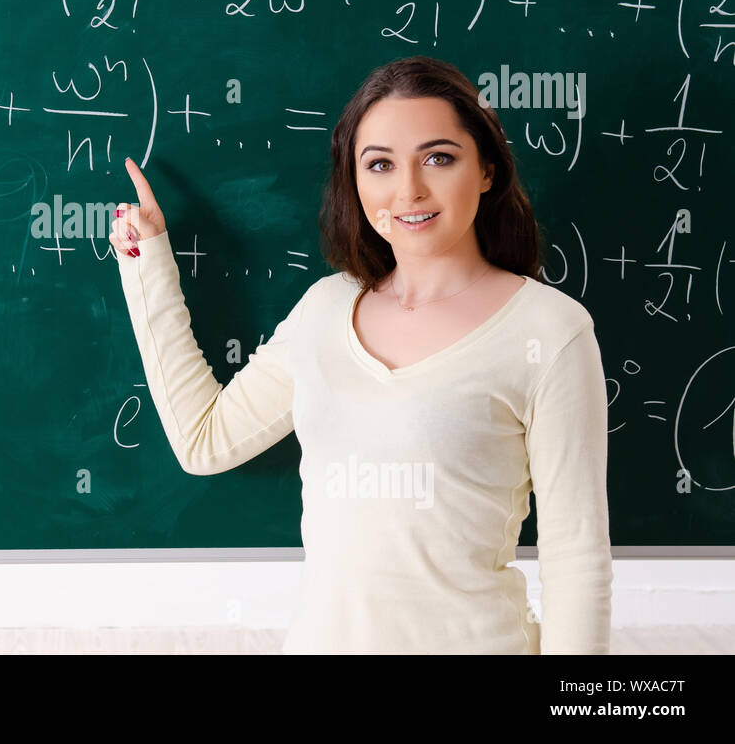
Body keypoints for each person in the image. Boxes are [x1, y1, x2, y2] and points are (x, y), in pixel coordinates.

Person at [109, 55, 612, 654]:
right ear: (355, 180)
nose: (409, 190)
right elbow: (204, 439)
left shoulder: (551, 331)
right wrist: (148, 263)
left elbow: (575, 557)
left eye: (439, 157)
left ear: (486, 169)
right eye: (380, 164)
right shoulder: (325, 309)